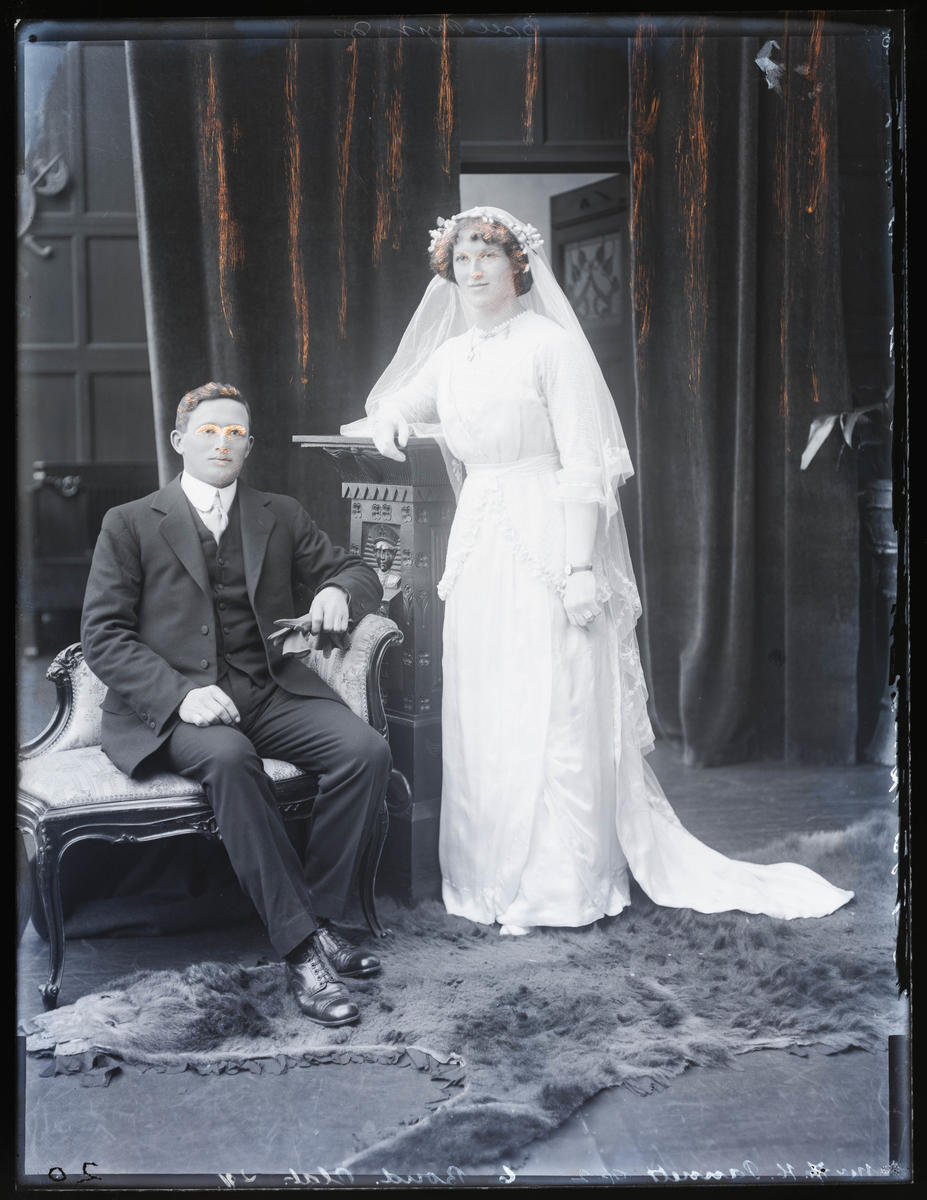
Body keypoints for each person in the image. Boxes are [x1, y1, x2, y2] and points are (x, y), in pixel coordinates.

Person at [356, 205, 854, 935]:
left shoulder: (549, 346)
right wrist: (392, 417)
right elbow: (396, 399)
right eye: (461, 261)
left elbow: (585, 464)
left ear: (516, 266)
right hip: (479, 542)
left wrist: (580, 566)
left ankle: (557, 885)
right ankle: (489, 879)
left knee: (552, 696)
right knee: (486, 699)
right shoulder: (452, 355)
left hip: (547, 528)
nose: (473, 271)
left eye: (487, 257)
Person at [81, 382, 390, 1025]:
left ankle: (324, 918)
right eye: (209, 430)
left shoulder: (278, 512)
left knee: (364, 750)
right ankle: (302, 948)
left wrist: (339, 592)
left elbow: (358, 569)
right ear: (180, 442)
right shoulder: (131, 522)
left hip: (265, 687)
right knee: (229, 759)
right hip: (171, 706)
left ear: (249, 446)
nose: (223, 442)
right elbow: (102, 637)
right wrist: (180, 695)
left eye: (236, 433)